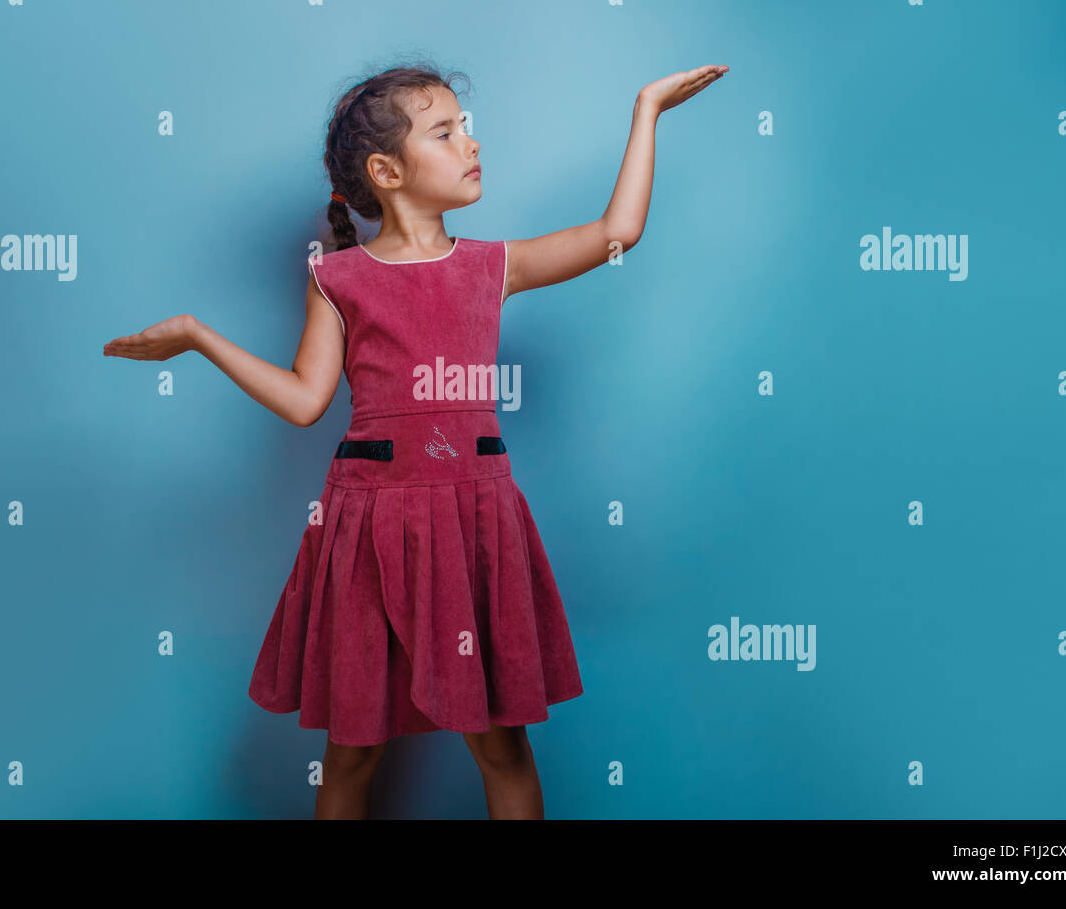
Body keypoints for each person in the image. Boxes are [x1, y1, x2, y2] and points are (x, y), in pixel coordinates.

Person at [103, 60, 728, 818]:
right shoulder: (337, 279)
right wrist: (201, 337)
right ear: (386, 170)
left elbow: (616, 232)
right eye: (446, 131)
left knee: (502, 747)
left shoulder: (492, 266)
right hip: (367, 524)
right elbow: (306, 402)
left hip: (473, 520)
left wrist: (648, 110)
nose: (471, 143)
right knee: (353, 753)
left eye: (466, 127)